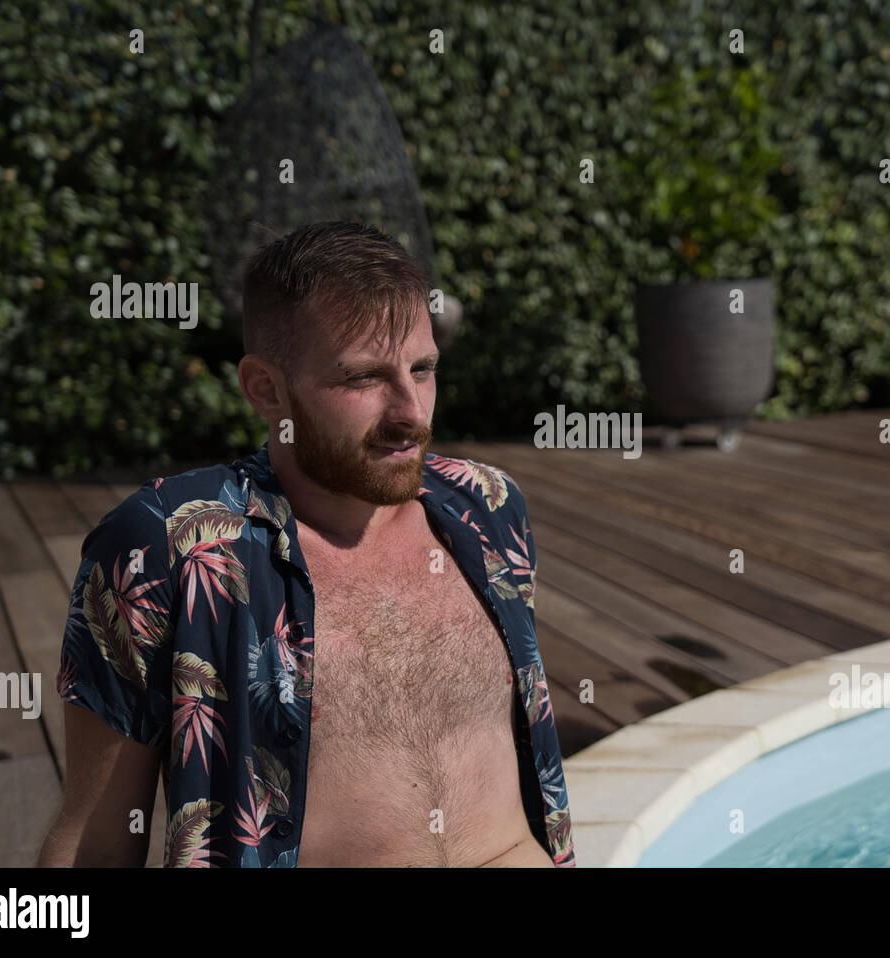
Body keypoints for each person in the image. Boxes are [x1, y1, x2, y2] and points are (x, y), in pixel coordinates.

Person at [36, 221, 576, 867]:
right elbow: (93, 842)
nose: (412, 412)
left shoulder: (487, 508)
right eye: (363, 378)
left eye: (424, 368)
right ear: (267, 389)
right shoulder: (169, 547)